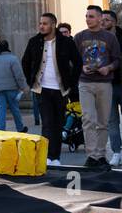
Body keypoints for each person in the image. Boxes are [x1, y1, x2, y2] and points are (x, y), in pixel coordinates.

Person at [22, 12, 83, 167]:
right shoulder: (34, 42)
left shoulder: (66, 43)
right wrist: (31, 81)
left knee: (58, 123)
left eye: (45, 23)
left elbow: (77, 62)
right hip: (42, 89)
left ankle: (55, 157)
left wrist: (72, 84)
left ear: (53, 25)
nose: (41, 26)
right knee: (47, 123)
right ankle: (47, 156)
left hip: (61, 89)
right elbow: (25, 62)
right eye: (40, 23)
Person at [74, 6, 122, 168]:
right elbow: (73, 60)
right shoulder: (79, 37)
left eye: (92, 16)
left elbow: (117, 60)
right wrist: (81, 67)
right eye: (86, 16)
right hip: (85, 83)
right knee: (88, 119)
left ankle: (101, 155)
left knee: (103, 121)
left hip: (104, 83)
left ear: (100, 18)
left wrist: (108, 68)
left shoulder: (110, 38)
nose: (88, 19)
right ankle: (91, 155)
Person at [101, 9, 122, 166]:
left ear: (114, 22)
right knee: (112, 121)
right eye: (102, 20)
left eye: (107, 20)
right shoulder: (98, 37)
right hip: (106, 84)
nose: (103, 22)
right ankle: (116, 151)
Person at [0, 40, 29, 133]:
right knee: (15, 109)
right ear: (8, 47)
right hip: (11, 88)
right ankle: (20, 127)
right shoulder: (13, 59)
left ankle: (1, 130)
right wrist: (23, 87)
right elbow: (19, 76)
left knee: (1, 111)